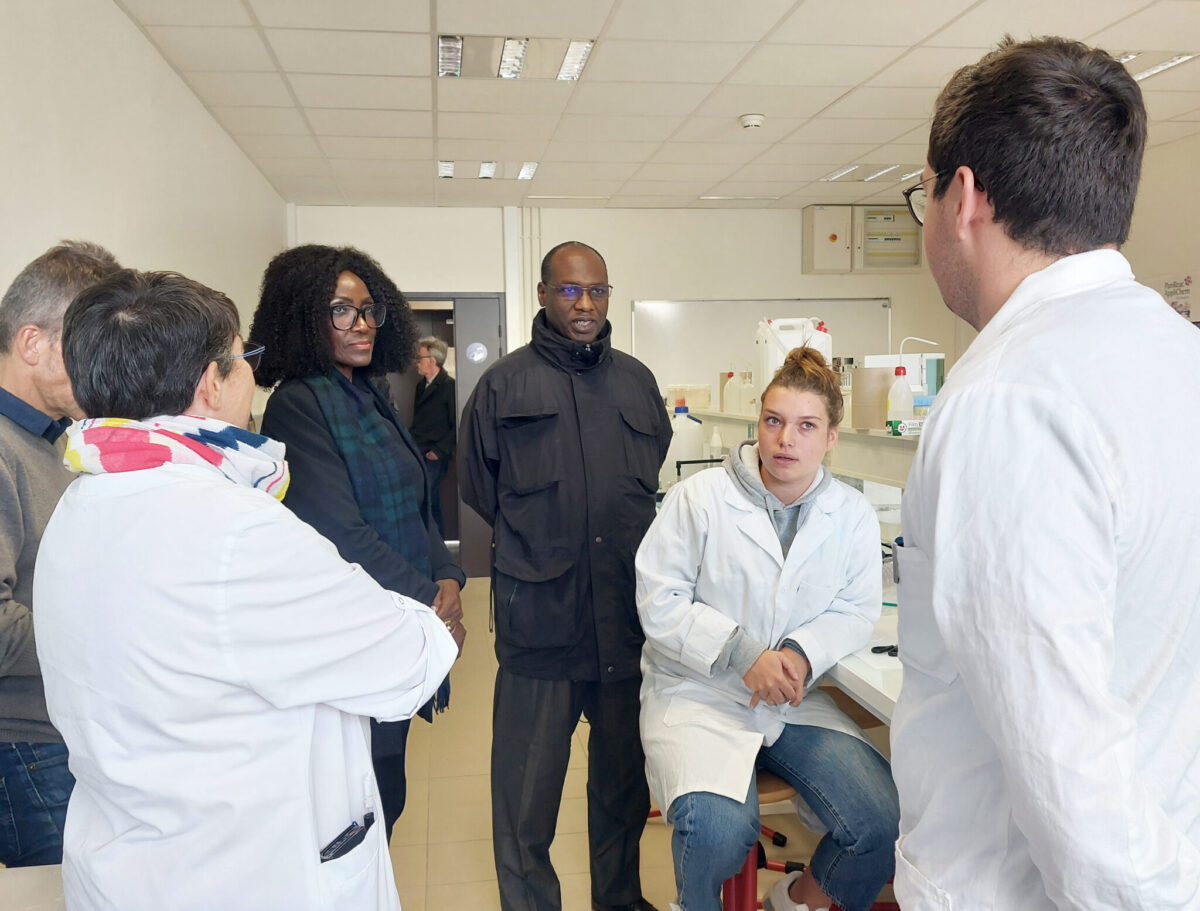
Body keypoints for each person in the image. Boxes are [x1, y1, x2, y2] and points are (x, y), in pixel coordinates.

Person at [33, 269, 460, 910]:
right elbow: (409, 662)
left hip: (131, 867)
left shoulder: (80, 505)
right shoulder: (236, 529)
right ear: (212, 382)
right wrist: (418, 612)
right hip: (248, 873)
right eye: (243, 359)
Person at [890, 36, 1200, 910]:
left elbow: (1069, 776)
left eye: (923, 194)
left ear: (962, 198)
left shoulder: (1009, 399)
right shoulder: (1179, 355)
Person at [637, 348, 899, 911]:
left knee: (881, 822)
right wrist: (742, 653)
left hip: (792, 699)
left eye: (806, 426)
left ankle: (794, 901)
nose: (786, 440)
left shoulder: (851, 514)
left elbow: (855, 608)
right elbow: (659, 601)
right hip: (702, 693)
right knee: (716, 831)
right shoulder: (698, 499)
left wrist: (800, 654)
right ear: (758, 423)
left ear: (831, 437)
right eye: (774, 421)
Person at [460, 241, 671, 911]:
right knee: (525, 804)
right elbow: (479, 487)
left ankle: (620, 901)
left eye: (597, 291)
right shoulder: (503, 385)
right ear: (544, 294)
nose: (585, 304)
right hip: (541, 625)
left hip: (625, 625)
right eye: (571, 290)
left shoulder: (637, 383)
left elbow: (649, 476)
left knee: (622, 793)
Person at [249, 244, 466, 842]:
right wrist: (431, 600)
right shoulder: (297, 404)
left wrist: (448, 576)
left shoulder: (371, 392)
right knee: (366, 801)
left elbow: (417, 500)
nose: (362, 324)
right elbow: (340, 534)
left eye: (369, 309)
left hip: (403, 614)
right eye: (341, 310)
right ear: (303, 318)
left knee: (387, 785)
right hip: (359, 630)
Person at [0, 240, 120, 867]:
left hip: (71, 730)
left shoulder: (59, 441)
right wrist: (116, 636)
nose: (105, 370)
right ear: (32, 343)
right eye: (89, 348)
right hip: (28, 748)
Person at [411, 336, 456, 535]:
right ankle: (438, 542)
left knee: (425, 498)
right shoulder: (420, 386)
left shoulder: (449, 386)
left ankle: (433, 542)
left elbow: (456, 425)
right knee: (430, 499)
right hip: (418, 451)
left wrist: (439, 451)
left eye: (419, 358)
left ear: (432, 360)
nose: (416, 362)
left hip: (435, 455)